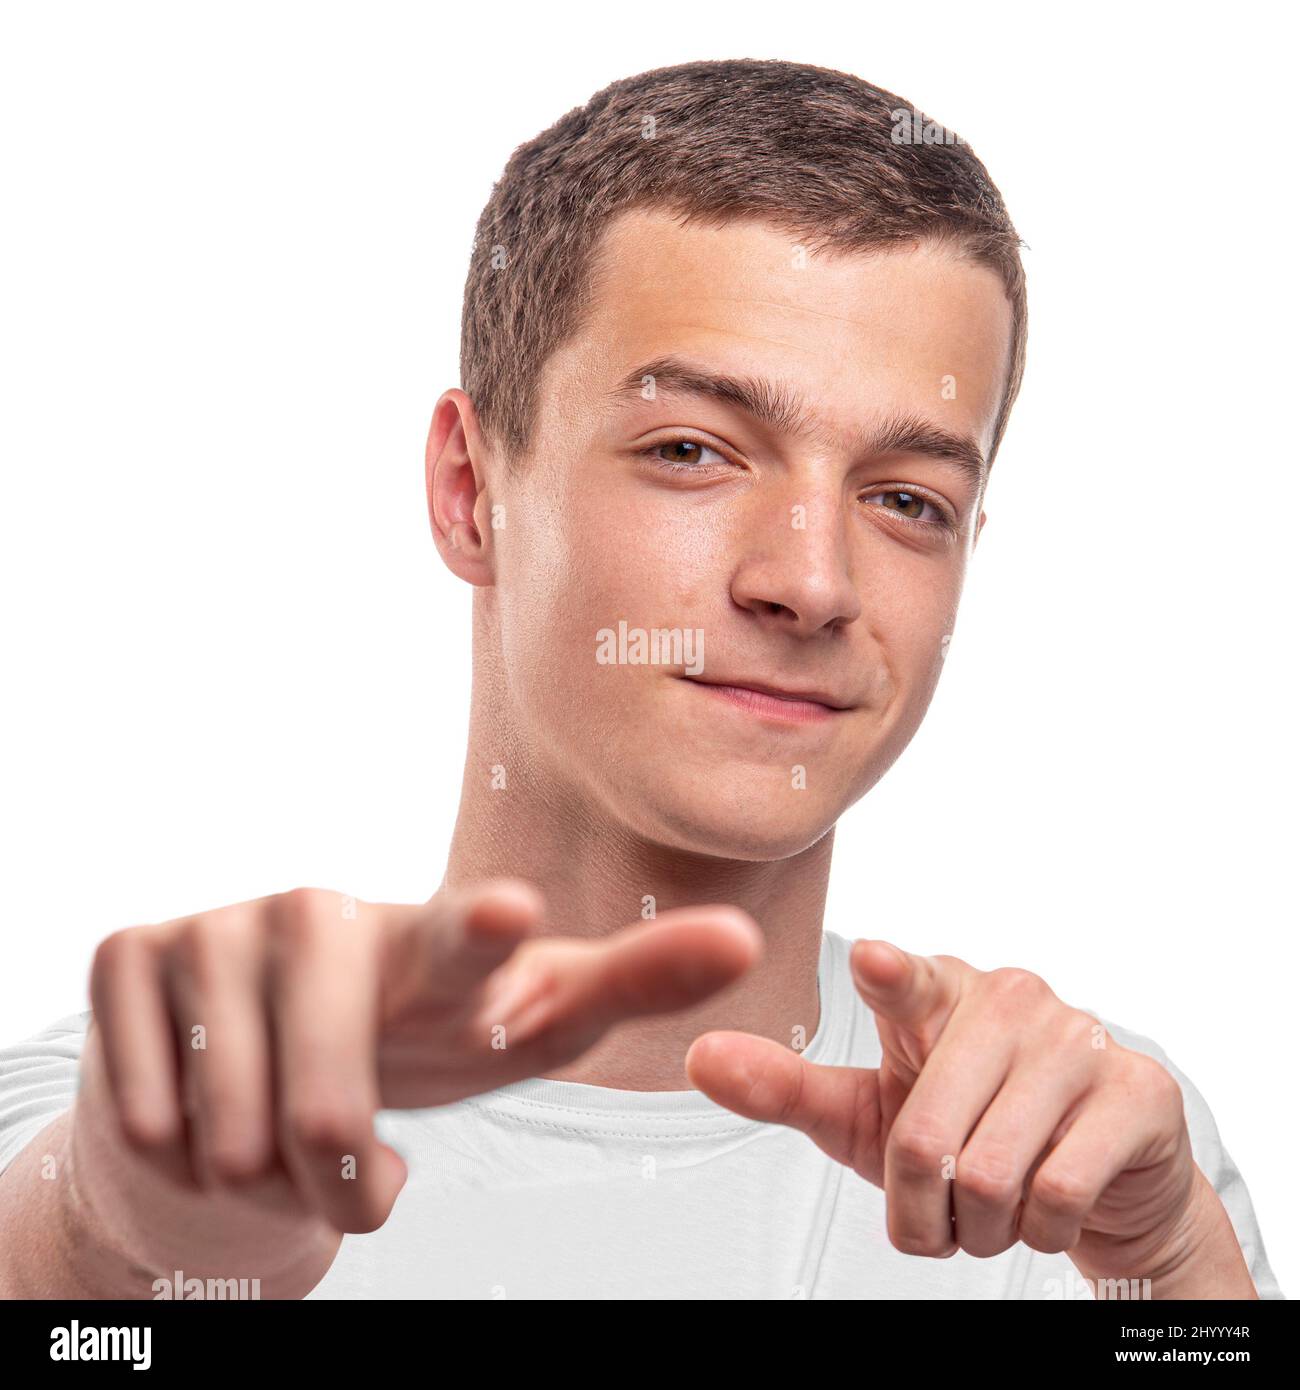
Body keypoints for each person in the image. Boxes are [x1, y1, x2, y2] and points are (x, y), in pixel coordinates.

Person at [0, 57, 1282, 1301]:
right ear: (469, 490)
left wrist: (1174, 1279)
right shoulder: (117, 1108)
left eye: (905, 498)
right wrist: (117, 1256)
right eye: (691, 450)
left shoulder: (1075, 1163)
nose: (812, 580)